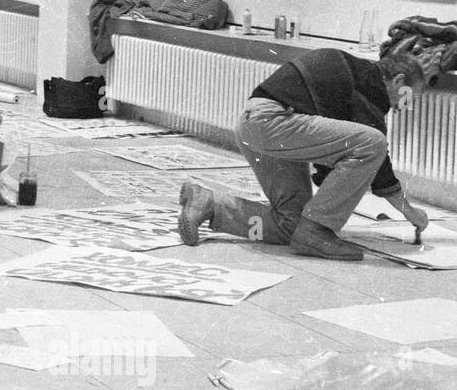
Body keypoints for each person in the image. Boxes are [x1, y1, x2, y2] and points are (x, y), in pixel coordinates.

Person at [178, 49, 430, 260]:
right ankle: (318, 231)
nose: (403, 106)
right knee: (373, 142)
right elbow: (378, 162)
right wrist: (408, 211)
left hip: (256, 125)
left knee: (292, 225)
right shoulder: (369, 85)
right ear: (397, 81)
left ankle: (209, 204)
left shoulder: (358, 76)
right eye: (408, 97)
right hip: (274, 123)